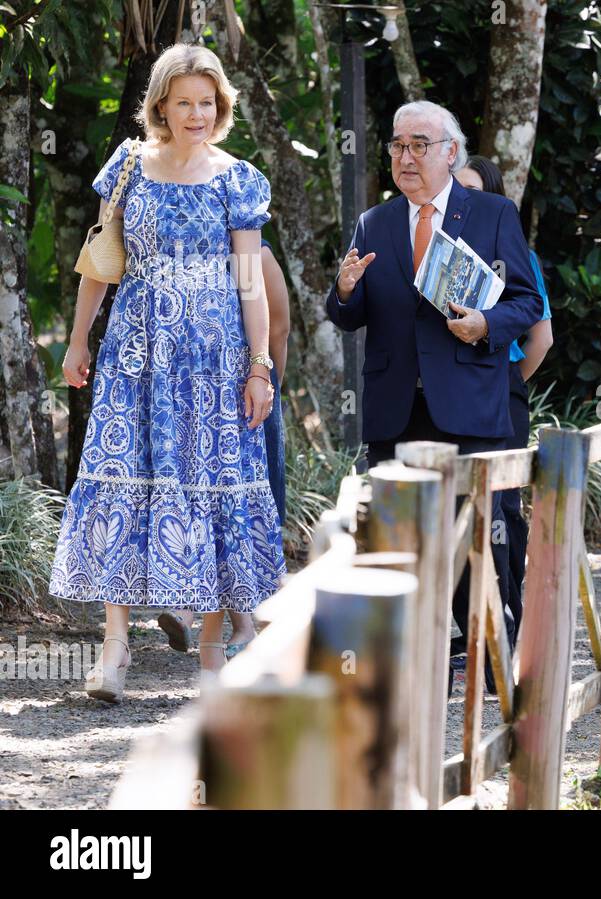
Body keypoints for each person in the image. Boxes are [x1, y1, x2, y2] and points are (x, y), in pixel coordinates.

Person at [50, 44, 285, 702]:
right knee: (123, 480)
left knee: (209, 486)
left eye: (207, 102)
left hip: (213, 360)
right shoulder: (128, 166)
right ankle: (115, 649)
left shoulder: (238, 179)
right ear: (161, 105)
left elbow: (250, 284)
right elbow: (100, 262)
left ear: (221, 106)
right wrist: (77, 340)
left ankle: (212, 655)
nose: (196, 114)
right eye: (183, 102)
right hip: (136, 352)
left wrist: (259, 365)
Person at [324, 101, 542, 669]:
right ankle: (400, 669)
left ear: (451, 153)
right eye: (398, 145)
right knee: (396, 546)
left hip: (469, 406)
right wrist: (344, 290)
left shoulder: (493, 214)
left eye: (419, 145)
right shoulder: (375, 222)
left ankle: (493, 663)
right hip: (395, 410)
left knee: (479, 543)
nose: (406, 156)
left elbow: (527, 301)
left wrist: (486, 324)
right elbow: (349, 315)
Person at [155, 239, 289, 660]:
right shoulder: (180, 253)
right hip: (195, 392)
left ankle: (249, 623)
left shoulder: (257, 255)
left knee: (243, 503)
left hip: (249, 392)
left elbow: (279, 330)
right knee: (201, 497)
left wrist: (267, 384)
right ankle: (195, 609)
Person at [455, 156, 552, 631]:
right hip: (450, 393)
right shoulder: (438, 250)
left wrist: (510, 384)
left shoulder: (516, 254)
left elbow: (542, 338)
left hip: (501, 388)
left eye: (473, 192)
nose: (463, 200)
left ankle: (507, 623)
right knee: (459, 506)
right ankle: (467, 632)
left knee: (502, 508)